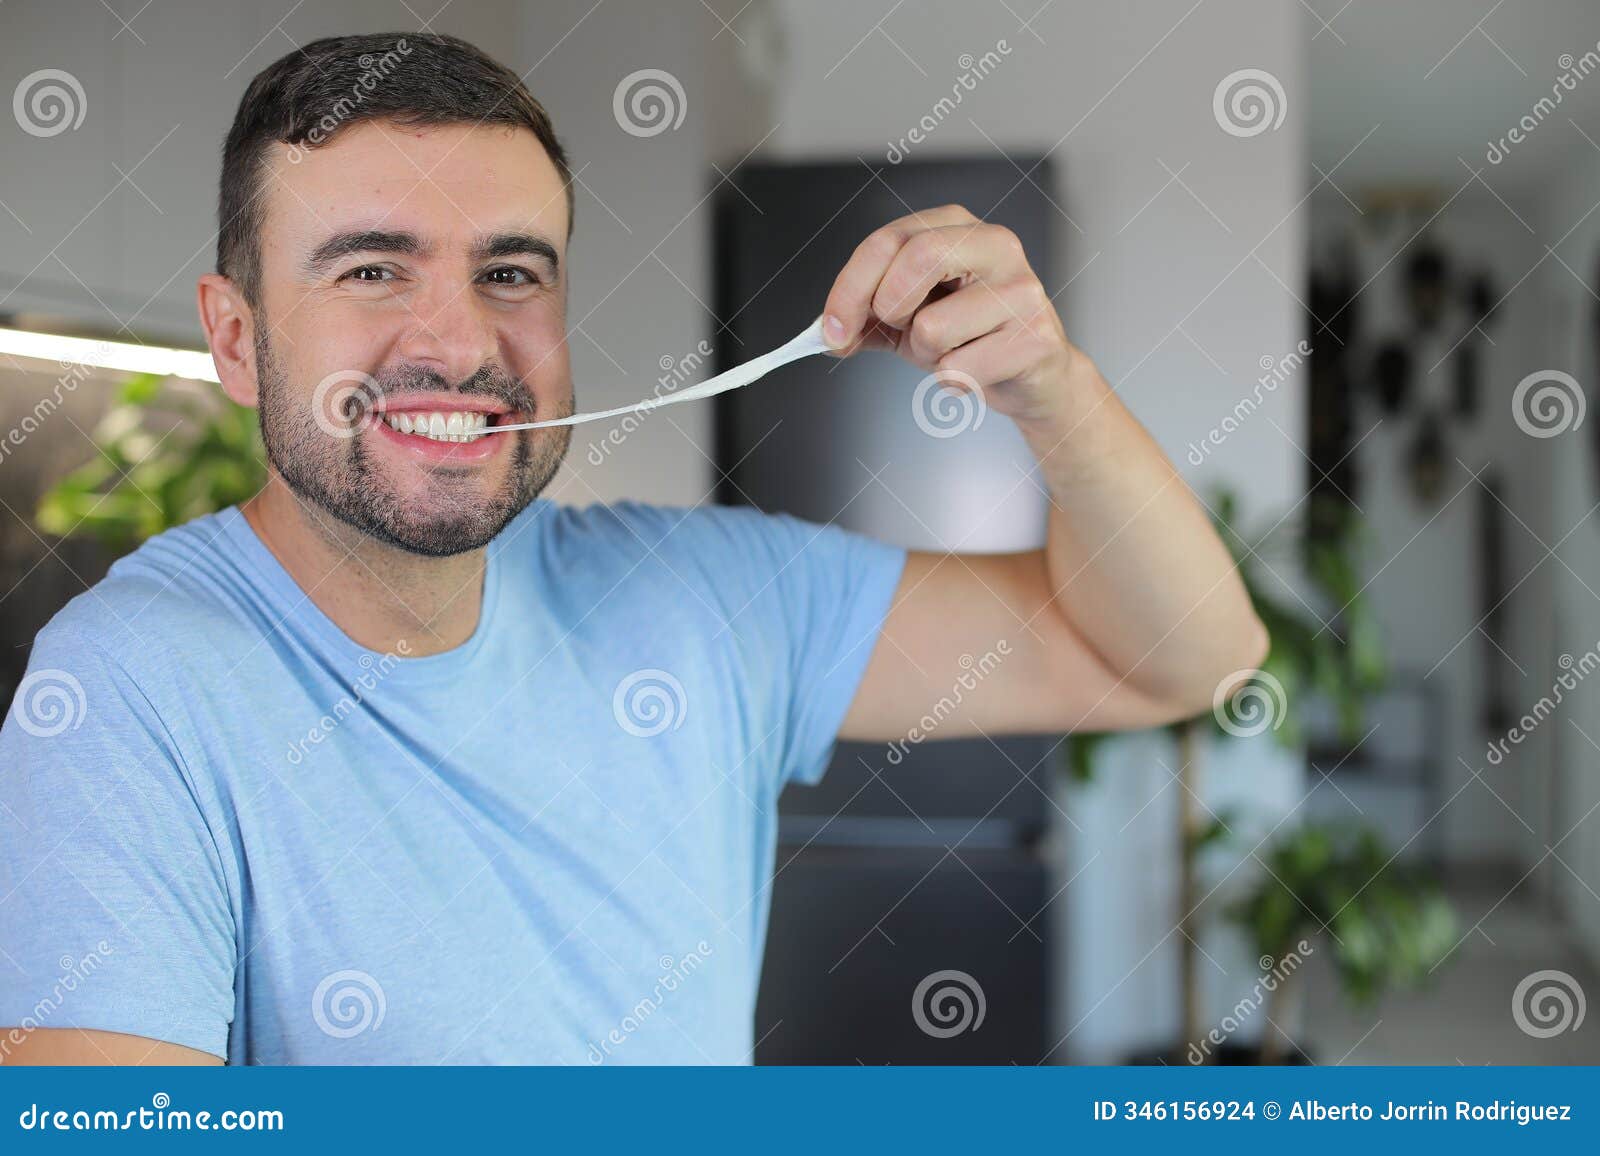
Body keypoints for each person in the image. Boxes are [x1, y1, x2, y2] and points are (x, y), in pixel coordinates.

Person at [0, 32, 1265, 1065]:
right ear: (235, 339)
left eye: (510, 272)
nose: (458, 341)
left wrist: (1051, 392)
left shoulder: (702, 596)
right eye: (373, 269)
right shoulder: (133, 689)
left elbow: (1181, 658)